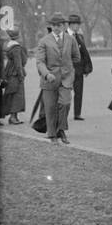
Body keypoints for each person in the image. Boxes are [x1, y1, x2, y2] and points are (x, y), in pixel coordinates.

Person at [33, 13, 80, 144]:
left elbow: (77, 57)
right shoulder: (44, 41)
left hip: (66, 79)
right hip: (49, 80)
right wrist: (47, 74)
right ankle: (52, 134)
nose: (56, 28)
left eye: (59, 25)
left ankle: (61, 130)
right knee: (50, 107)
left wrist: (68, 68)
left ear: (64, 25)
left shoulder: (71, 40)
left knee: (65, 103)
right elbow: (40, 62)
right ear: (51, 26)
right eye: (53, 25)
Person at [66, 14, 93, 121]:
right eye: (75, 24)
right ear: (71, 25)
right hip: (67, 70)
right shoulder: (65, 36)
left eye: (78, 24)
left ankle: (77, 113)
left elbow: (84, 53)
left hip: (78, 70)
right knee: (65, 93)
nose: (77, 26)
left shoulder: (79, 36)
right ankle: (62, 113)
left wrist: (86, 68)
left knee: (79, 93)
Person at [0, 29, 27, 124]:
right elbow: (18, 63)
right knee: (17, 96)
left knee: (11, 94)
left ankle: (13, 117)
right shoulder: (16, 48)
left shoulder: (8, 46)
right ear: (17, 37)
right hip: (15, 73)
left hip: (9, 72)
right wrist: (21, 75)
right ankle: (13, 117)